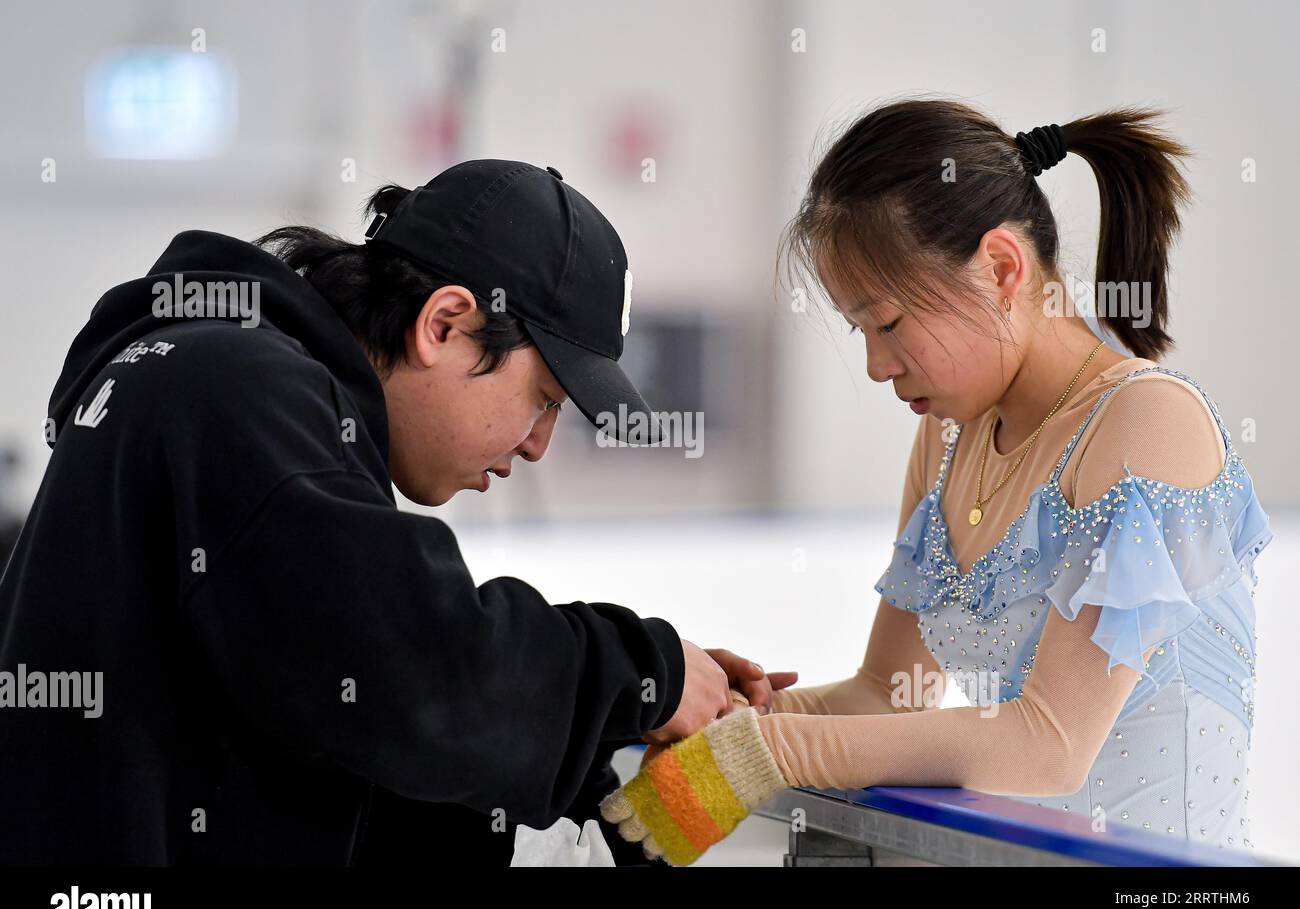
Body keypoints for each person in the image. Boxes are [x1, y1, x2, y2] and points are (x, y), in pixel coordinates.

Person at [0, 159, 789, 866]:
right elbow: (417, 676)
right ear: (442, 324)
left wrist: (601, 747)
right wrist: (641, 671)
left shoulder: (216, 372)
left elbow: (338, 729)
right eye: (543, 399)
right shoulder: (246, 394)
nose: (539, 445)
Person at [601, 101, 1274, 866]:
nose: (876, 365)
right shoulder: (948, 436)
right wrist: (721, 718)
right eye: (861, 332)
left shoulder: (1146, 422)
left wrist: (771, 751)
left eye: (887, 324)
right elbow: (887, 693)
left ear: (1000, 268)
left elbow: (1050, 744)